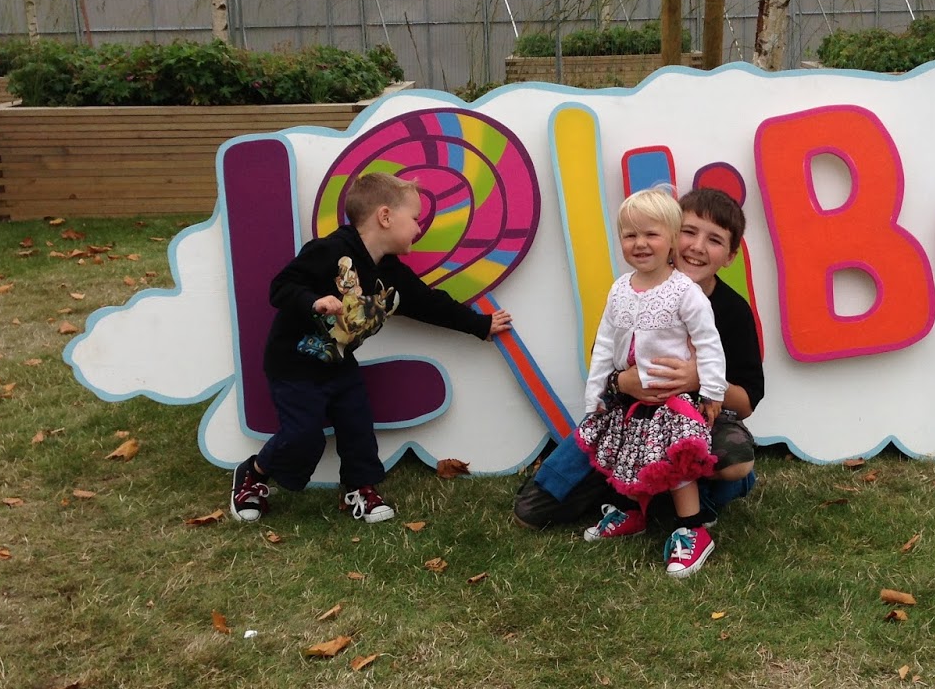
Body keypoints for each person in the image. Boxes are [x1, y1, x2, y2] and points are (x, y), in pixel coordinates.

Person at [229, 171, 511, 524]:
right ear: (385, 216)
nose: (420, 229)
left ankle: (359, 487)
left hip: (339, 364)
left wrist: (480, 324)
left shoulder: (389, 274)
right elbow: (281, 286)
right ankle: (253, 475)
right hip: (295, 364)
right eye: (416, 219)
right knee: (303, 436)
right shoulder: (328, 250)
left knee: (358, 426)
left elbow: (428, 303)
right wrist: (314, 300)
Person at [514, 187, 764, 538]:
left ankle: (689, 508)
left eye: (715, 240)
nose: (696, 246)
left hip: (696, 418)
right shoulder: (630, 290)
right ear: (673, 234)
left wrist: (699, 380)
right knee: (532, 510)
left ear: (730, 255)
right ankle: (633, 495)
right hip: (629, 412)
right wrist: (621, 383)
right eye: (690, 232)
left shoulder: (733, 311)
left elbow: (749, 400)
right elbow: (606, 352)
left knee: (733, 459)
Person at [573, 186, 730, 577]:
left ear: (673, 240)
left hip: (672, 402)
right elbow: (605, 343)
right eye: (630, 235)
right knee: (625, 458)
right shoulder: (619, 290)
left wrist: (712, 391)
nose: (640, 244)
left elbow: (710, 343)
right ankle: (631, 514)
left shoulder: (685, 293)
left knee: (678, 467)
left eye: (652, 234)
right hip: (629, 399)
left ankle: (693, 531)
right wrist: (596, 393)